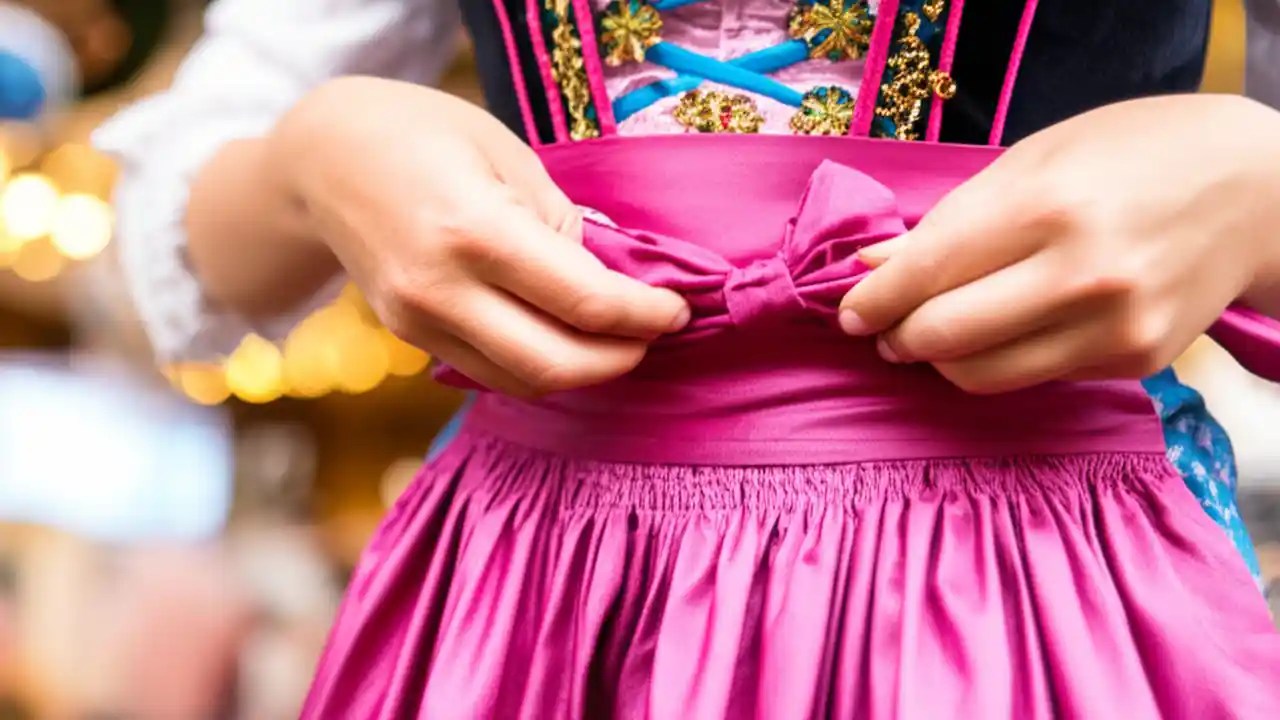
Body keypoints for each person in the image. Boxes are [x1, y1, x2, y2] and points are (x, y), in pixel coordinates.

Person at [97, 0, 1280, 717]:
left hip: (1042, 568)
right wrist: (314, 156)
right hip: (538, 583)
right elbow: (186, 195)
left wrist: (1258, 184)